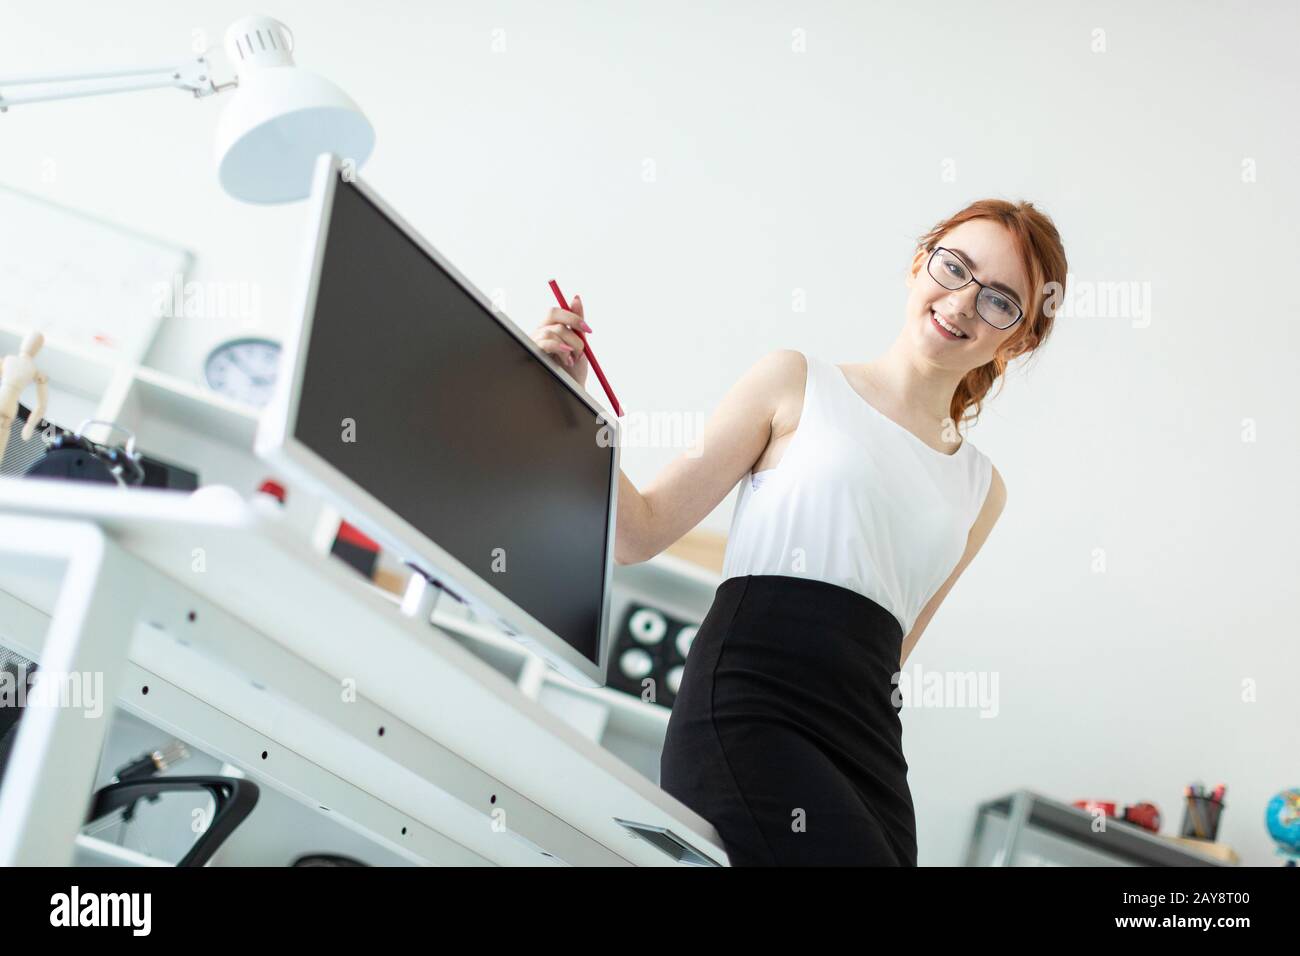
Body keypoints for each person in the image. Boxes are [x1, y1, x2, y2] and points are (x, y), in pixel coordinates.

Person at [531, 199, 1067, 866]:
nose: (962, 302)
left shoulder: (983, 490)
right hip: (750, 708)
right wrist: (572, 406)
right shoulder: (794, 381)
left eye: (999, 301)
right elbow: (637, 534)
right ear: (918, 264)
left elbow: (895, 652)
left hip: (868, 743)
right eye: (954, 267)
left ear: (1018, 339)